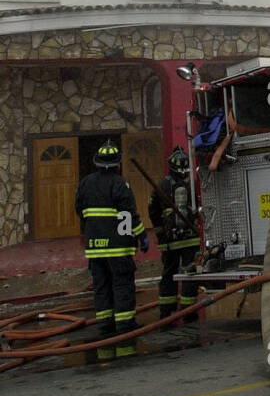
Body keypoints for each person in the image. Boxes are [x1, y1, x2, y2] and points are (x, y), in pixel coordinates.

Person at [75, 139, 149, 358]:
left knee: (101, 286)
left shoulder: (85, 183)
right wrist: (141, 235)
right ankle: (125, 326)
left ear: (97, 163)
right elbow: (128, 215)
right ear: (117, 164)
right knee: (122, 284)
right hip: (118, 248)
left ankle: (105, 324)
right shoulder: (120, 183)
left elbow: (80, 211)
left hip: (94, 248)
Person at [148, 146, 201, 320]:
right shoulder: (192, 182)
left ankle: (166, 310)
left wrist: (160, 234)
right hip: (190, 239)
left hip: (170, 239)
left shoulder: (162, 184)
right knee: (189, 274)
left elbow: (153, 210)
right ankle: (188, 309)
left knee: (169, 272)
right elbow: (199, 206)